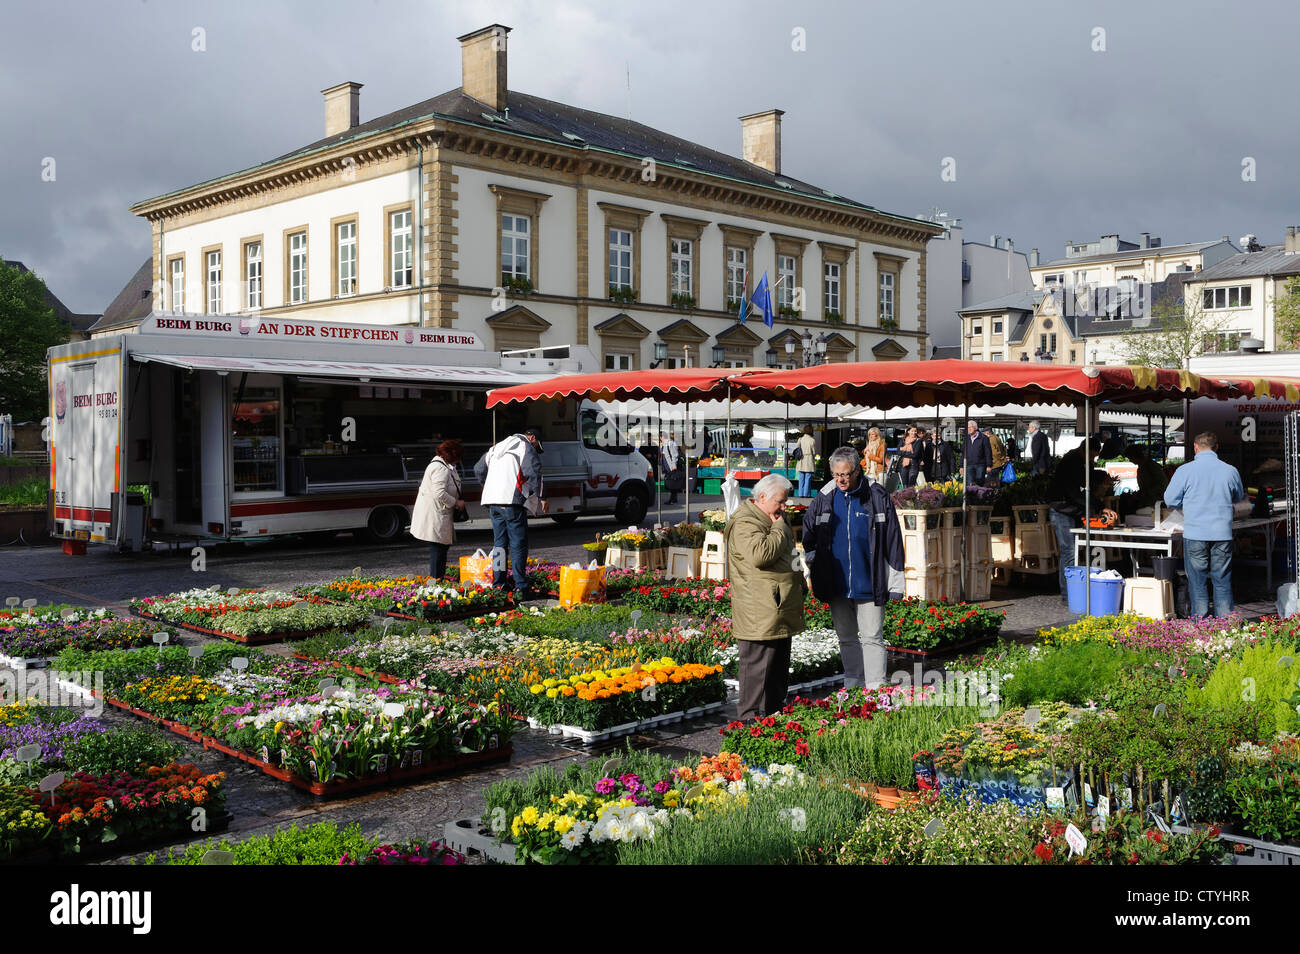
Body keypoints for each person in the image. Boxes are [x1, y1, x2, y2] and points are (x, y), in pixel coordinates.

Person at [802, 446, 905, 690]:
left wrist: (895, 582)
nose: (841, 480)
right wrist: (816, 568)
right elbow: (809, 535)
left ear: (857, 470)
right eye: (837, 475)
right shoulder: (825, 497)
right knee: (846, 638)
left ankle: (876, 688)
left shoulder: (877, 496)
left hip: (870, 581)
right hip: (836, 583)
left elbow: (893, 541)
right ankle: (853, 683)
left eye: (846, 474)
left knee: (872, 637)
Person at [725, 473, 806, 721]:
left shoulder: (776, 518)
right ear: (762, 497)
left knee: (778, 664)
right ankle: (748, 718)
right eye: (780, 501)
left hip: (778, 603)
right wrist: (780, 527)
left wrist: (800, 580)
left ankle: (774, 711)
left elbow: (791, 554)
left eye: (786, 501)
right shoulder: (746, 522)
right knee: (757, 665)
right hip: (759, 607)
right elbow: (762, 555)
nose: (785, 506)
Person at [1164, 431, 1246, 618]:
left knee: (1197, 581)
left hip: (1195, 533)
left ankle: (1201, 625)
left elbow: (1170, 500)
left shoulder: (1185, 471)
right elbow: (1238, 497)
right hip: (1222, 533)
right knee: (1222, 580)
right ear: (1216, 447)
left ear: (1195, 447)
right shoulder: (1230, 470)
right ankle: (1225, 626)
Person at [474, 427, 547, 601]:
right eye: (537, 445)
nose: (535, 448)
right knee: (518, 544)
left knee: (499, 544)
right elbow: (534, 471)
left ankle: (499, 584)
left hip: (493, 501)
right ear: (532, 437)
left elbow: (478, 469)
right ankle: (520, 585)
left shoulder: (497, 447)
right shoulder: (524, 445)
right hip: (511, 501)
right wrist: (542, 496)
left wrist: (489, 485)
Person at [1047, 440, 1117, 602]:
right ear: (1085, 450)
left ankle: (1075, 591)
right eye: (1092, 456)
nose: (1093, 459)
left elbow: (1085, 486)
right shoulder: (1072, 462)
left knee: (1074, 551)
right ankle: (1068, 594)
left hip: (1071, 510)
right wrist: (1099, 507)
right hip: (1062, 510)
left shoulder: (1081, 462)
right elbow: (1075, 492)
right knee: (1069, 552)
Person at [410, 439, 465, 579]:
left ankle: (438, 577)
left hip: (438, 512)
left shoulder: (440, 465)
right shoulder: (441, 468)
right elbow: (439, 492)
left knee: (440, 546)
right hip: (436, 513)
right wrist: (456, 502)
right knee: (438, 547)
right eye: (458, 457)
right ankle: (436, 579)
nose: (459, 460)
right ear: (452, 455)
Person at [963, 420, 991, 486]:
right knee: (969, 483)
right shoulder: (966, 438)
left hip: (980, 464)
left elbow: (988, 452)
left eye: (971, 427)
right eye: (968, 427)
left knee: (980, 482)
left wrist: (989, 465)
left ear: (976, 428)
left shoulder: (984, 438)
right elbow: (963, 452)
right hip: (969, 464)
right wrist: (961, 466)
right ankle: (970, 496)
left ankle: (980, 495)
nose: (969, 429)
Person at [795, 424, 818, 497]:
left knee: (801, 477)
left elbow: (796, 449)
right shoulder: (812, 440)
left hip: (801, 460)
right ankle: (806, 494)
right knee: (808, 477)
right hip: (809, 460)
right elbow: (814, 452)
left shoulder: (800, 439)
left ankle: (800, 494)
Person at [660, 434, 683, 505]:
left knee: (672, 482)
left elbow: (675, 455)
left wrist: (674, 465)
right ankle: (673, 499)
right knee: (671, 482)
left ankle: (672, 499)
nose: (660, 439)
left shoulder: (671, 443)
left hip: (671, 467)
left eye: (660, 437)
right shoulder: (665, 444)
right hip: (667, 467)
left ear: (662, 437)